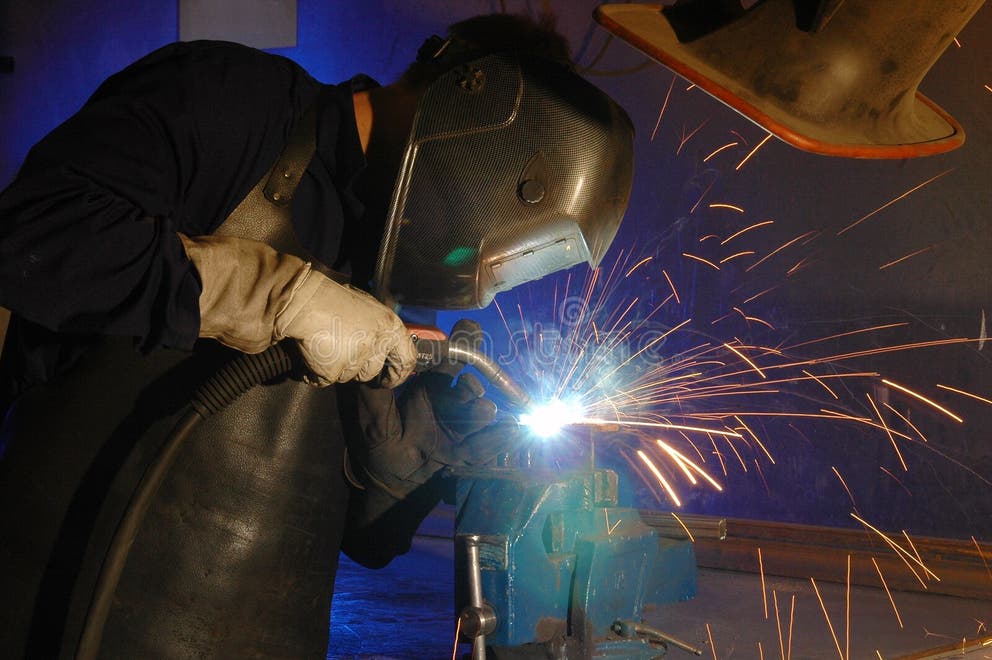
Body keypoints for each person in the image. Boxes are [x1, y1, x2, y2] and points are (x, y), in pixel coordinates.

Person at [0, 12, 633, 658]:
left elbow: (359, 542)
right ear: (479, 117)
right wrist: (261, 293)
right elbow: (32, 232)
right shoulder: (235, 103)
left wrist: (399, 472)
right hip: (56, 620)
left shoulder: (399, 274)